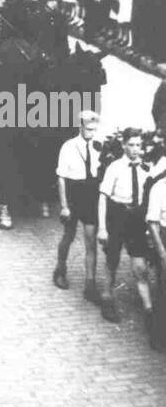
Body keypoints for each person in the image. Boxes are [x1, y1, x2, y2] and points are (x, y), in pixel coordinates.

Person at [97, 128, 153, 329]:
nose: (136, 149)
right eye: (131, 145)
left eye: (139, 145)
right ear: (124, 145)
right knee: (112, 260)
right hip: (117, 216)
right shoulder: (115, 167)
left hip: (137, 219)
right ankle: (106, 298)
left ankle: (149, 312)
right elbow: (103, 197)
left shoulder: (147, 168)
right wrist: (102, 227)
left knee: (140, 267)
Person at [52, 111, 101, 303]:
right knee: (69, 236)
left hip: (91, 196)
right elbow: (61, 178)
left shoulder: (99, 145)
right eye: (88, 129)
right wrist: (64, 206)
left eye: (94, 130)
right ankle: (60, 269)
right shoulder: (68, 147)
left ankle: (90, 283)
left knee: (91, 240)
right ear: (80, 126)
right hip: (74, 194)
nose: (91, 133)